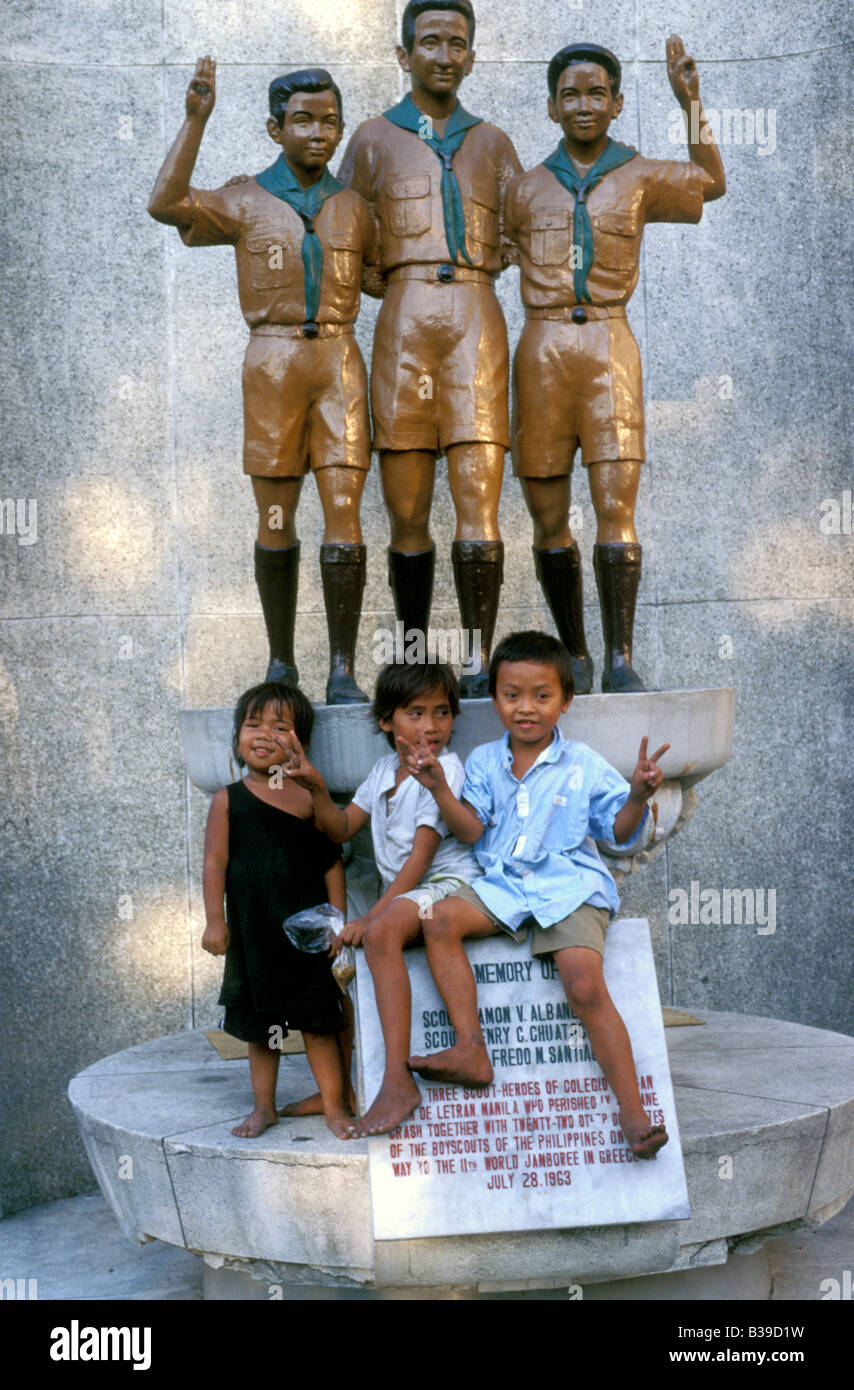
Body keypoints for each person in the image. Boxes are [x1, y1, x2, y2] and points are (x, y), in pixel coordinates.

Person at [148, 59, 377, 704]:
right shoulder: (246, 199)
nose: (318, 133)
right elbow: (165, 203)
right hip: (273, 365)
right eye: (303, 120)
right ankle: (281, 660)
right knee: (276, 514)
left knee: (345, 513)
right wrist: (196, 121)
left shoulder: (354, 207)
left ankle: (341, 668)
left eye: (330, 121)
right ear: (275, 127)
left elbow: (391, 274)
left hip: (338, 364)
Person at [505, 38, 726, 692]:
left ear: (617, 102)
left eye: (597, 92)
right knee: (547, 515)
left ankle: (620, 657)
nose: (583, 104)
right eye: (570, 93)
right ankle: (573, 652)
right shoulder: (523, 188)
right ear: (550, 105)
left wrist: (691, 102)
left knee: (615, 505)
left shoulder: (640, 175)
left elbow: (712, 183)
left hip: (609, 347)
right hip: (541, 349)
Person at [401, 630, 672, 1159]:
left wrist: (638, 795)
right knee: (437, 918)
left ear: (565, 701)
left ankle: (634, 1114)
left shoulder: (584, 763)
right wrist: (437, 787)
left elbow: (618, 832)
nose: (526, 708)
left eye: (541, 696)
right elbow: (473, 830)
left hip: (569, 887)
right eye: (511, 695)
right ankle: (470, 1048)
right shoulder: (482, 763)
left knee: (584, 985)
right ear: (496, 698)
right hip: (502, 884)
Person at [337, 1, 523, 695]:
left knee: (480, 493)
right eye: (430, 42)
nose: (444, 55)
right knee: (407, 504)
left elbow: (526, 227)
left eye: (457, 43)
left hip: (475, 311)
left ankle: (479, 660)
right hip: (405, 319)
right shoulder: (372, 140)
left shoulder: (495, 143)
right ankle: (414, 658)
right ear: (403, 52)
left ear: (472, 56)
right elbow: (340, 226)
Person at [276, 663, 481, 1136]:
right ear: (386, 721)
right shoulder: (384, 769)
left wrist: (375, 916)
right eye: (415, 713)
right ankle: (344, 1087)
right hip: (408, 892)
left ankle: (396, 1082)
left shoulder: (444, 768)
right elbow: (342, 826)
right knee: (329, 945)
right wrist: (314, 786)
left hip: (446, 886)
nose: (430, 727)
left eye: (442, 713)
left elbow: (421, 860)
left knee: (378, 935)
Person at [201, 681, 354, 1139]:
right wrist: (214, 919)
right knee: (261, 1030)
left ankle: (334, 1106)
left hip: (306, 937)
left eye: (280, 726)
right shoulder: (229, 799)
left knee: (318, 1024)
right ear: (237, 736)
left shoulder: (308, 798)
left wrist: (337, 925)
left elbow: (332, 864)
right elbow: (215, 861)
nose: (264, 733)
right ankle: (263, 1107)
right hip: (254, 936)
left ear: (299, 742)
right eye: (253, 724)